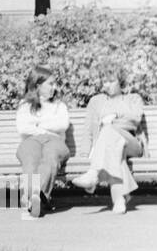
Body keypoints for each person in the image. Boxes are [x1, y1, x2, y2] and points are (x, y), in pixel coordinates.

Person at [70, 67, 146, 215]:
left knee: (108, 131)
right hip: (109, 147)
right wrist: (84, 154)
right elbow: (88, 129)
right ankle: (119, 199)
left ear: (121, 82)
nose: (107, 85)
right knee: (115, 152)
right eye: (105, 82)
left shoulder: (133, 99)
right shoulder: (96, 101)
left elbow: (134, 120)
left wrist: (113, 118)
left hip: (131, 144)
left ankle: (94, 174)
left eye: (112, 81)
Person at [16, 65, 71, 220]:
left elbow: (62, 125)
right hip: (32, 140)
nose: (55, 87)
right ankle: (35, 198)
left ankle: (33, 196)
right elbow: (23, 128)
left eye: (55, 84)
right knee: (30, 159)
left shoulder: (59, 105)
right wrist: (43, 128)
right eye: (50, 84)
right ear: (38, 85)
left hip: (55, 141)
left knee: (50, 157)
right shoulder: (25, 105)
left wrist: (38, 124)